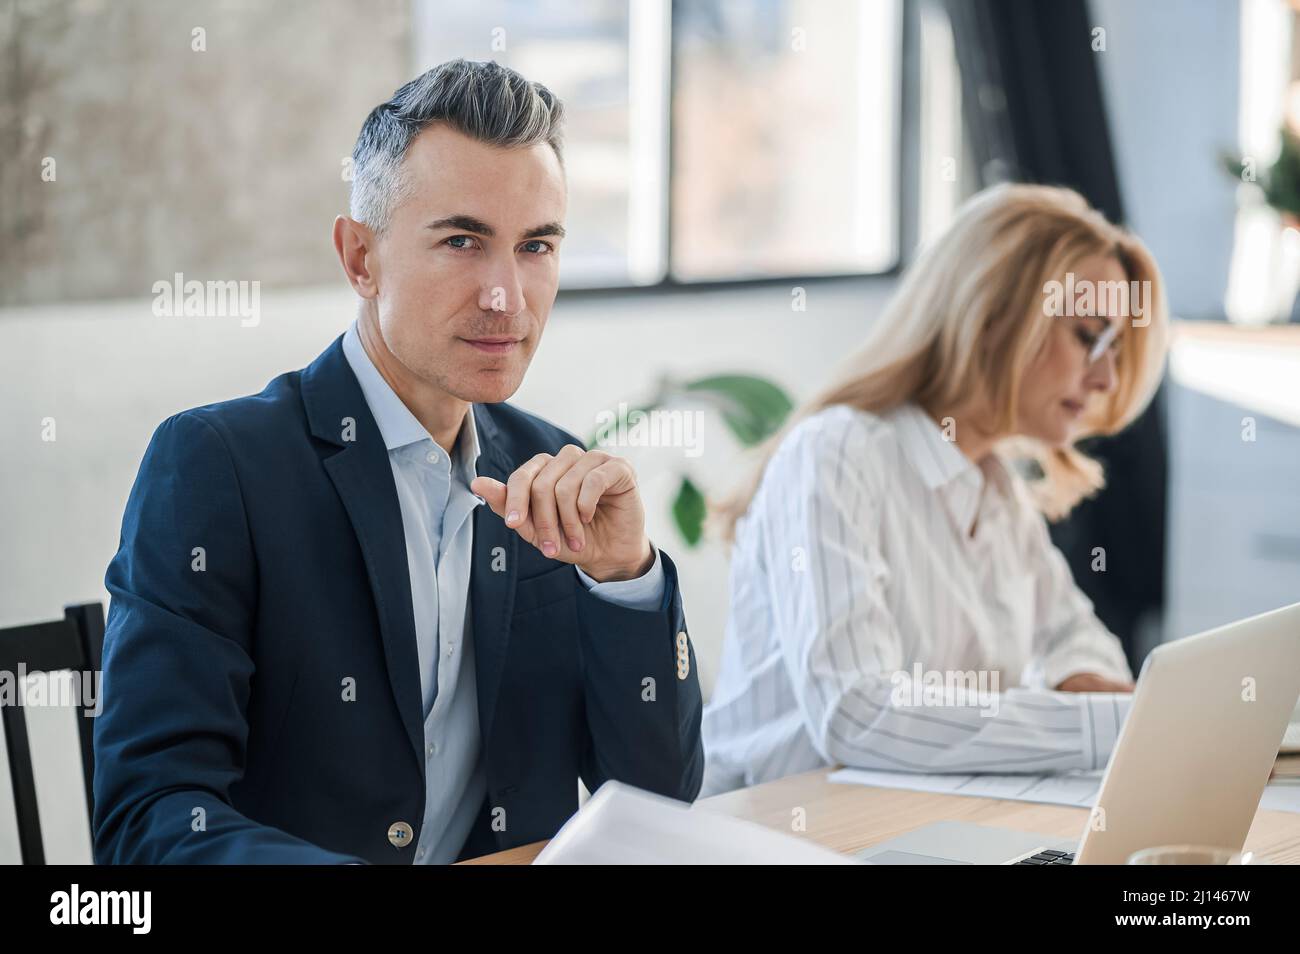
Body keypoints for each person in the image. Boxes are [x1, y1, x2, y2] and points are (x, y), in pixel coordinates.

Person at [94, 59, 703, 864]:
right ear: (360, 258)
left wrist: (625, 580)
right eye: (462, 241)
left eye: (536, 247)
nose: (506, 298)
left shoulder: (551, 467)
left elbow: (658, 800)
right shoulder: (219, 468)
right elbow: (150, 817)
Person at [701, 183, 1168, 795]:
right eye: (1087, 335)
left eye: (1116, 350)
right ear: (993, 314)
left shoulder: (999, 494)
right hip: (777, 838)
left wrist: (1081, 684)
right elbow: (859, 714)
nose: (1106, 377)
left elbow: (1079, 645)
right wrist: (1102, 724)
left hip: (915, 826)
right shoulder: (838, 453)